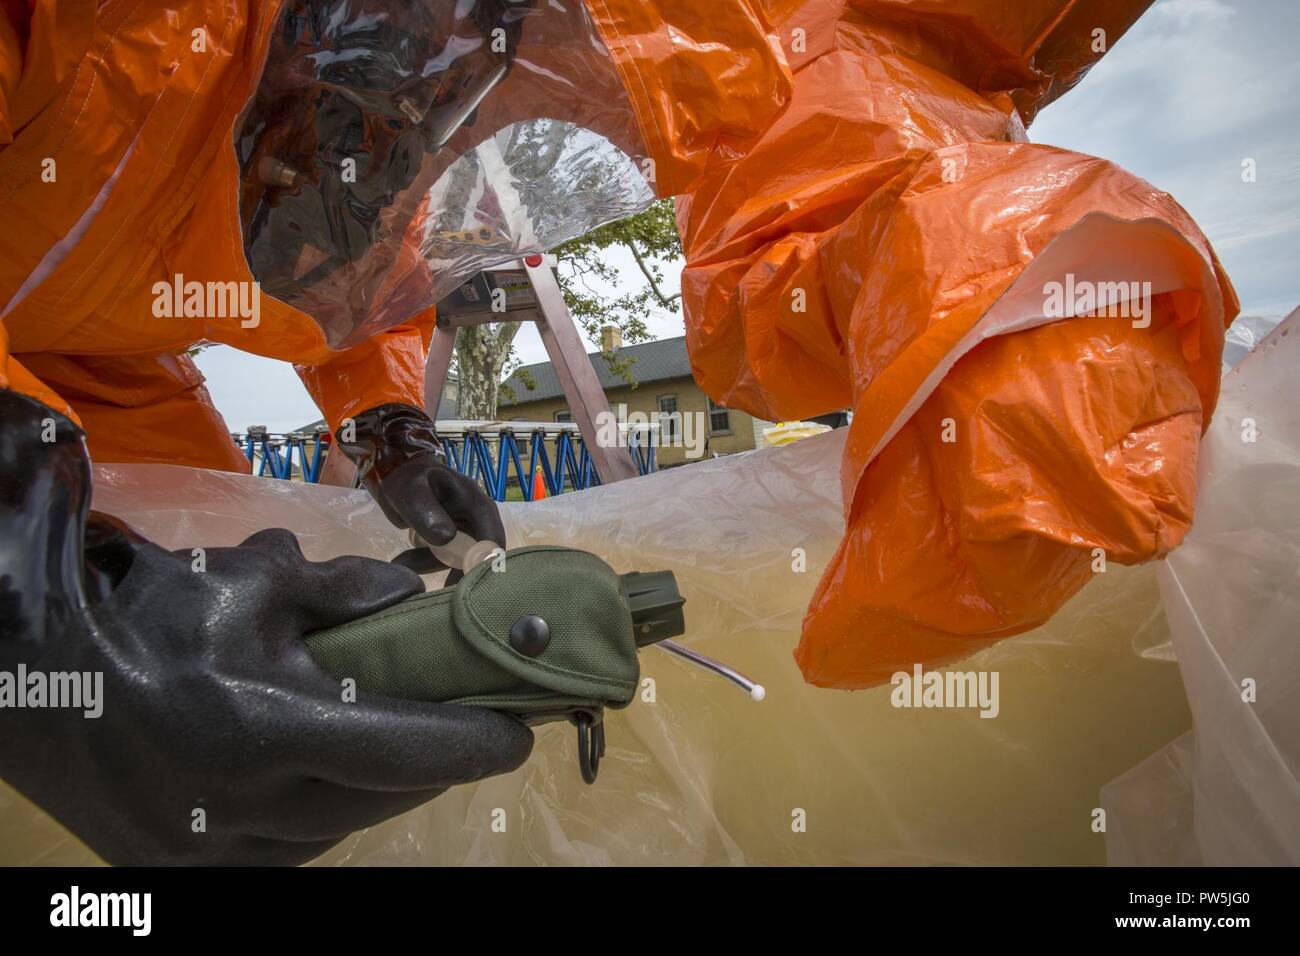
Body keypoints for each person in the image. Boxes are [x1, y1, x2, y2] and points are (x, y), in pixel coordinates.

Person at [1, 0, 1234, 862]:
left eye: (467, 123)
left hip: (87, 359)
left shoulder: (380, 139)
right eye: (448, 77)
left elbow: (352, 287)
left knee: (223, 630)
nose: (428, 136)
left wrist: (386, 426)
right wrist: (25, 600)